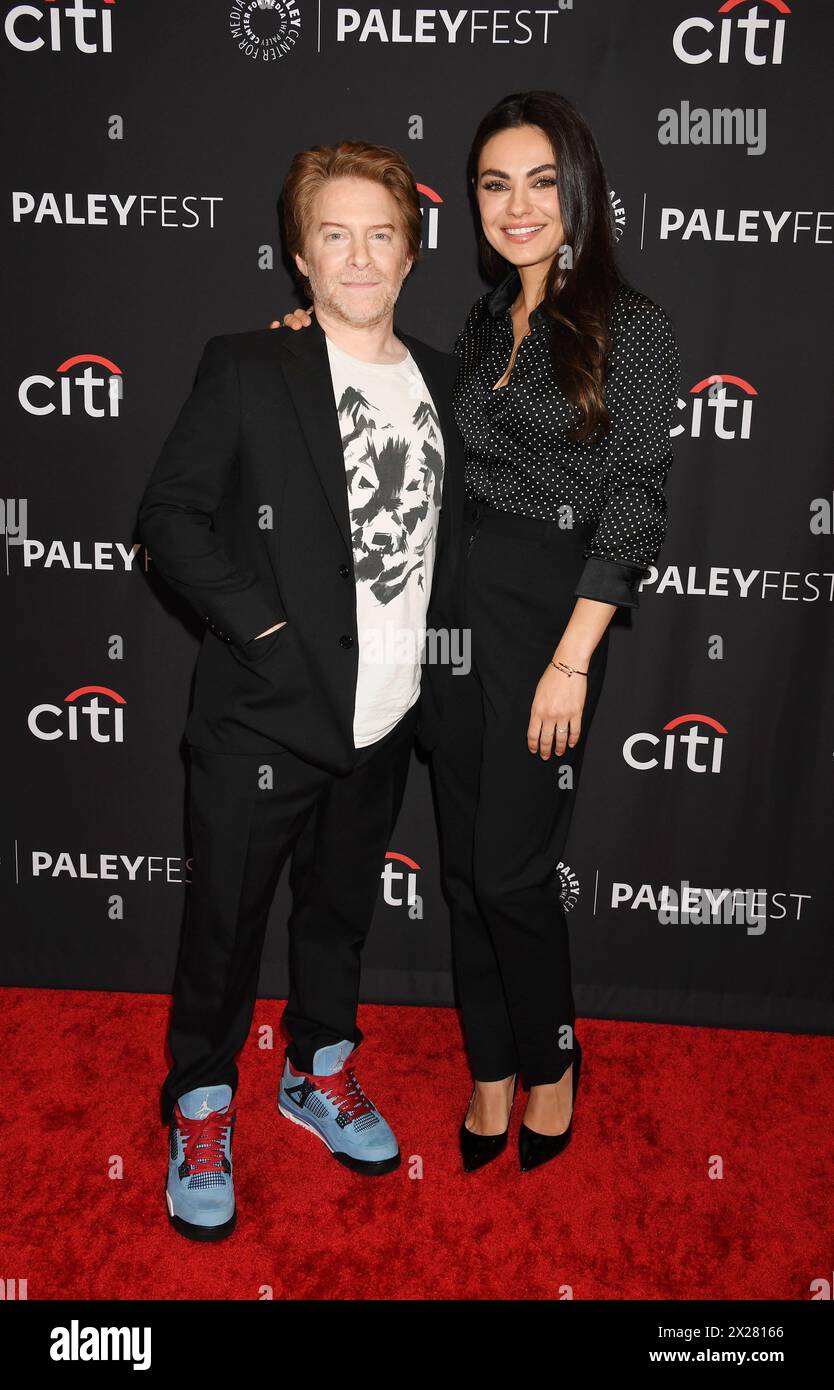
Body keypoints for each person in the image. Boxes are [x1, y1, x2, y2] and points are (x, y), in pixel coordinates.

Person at [273, 91, 682, 1175]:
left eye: (541, 180)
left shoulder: (632, 327)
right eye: (495, 184)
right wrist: (311, 340)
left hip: (547, 616)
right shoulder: (475, 319)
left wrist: (571, 660)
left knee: (509, 876)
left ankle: (553, 1060)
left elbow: (639, 497)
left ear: (581, 187)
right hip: (448, 609)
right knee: (459, 875)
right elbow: (400, 396)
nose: (517, 204)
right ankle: (489, 1066)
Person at [136, 141, 463, 1241]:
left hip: (385, 719)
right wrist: (270, 633)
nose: (360, 255)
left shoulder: (446, 382)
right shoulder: (248, 366)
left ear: (410, 254)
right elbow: (171, 520)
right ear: (299, 256)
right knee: (221, 929)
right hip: (259, 716)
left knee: (338, 917)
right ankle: (201, 1102)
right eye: (336, 235)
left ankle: (318, 1068)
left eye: (381, 234)